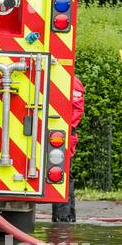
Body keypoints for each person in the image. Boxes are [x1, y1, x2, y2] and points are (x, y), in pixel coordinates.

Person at [51, 75, 84, 222]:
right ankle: (65, 216)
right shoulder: (71, 80)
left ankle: (64, 217)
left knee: (62, 173)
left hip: (64, 133)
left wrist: (66, 128)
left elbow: (76, 110)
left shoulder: (73, 81)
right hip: (62, 132)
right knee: (61, 173)